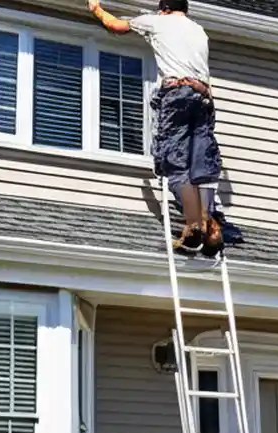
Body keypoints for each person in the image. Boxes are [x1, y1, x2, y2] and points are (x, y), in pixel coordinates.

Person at [88, 0, 224, 256]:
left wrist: (96, 9)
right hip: (204, 98)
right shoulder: (198, 31)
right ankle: (208, 222)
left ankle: (195, 225)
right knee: (201, 166)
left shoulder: (157, 21)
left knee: (176, 162)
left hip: (178, 95)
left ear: (164, 9)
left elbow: (116, 26)